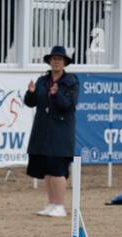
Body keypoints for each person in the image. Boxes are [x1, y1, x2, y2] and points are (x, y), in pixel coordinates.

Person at [24, 45, 78, 218]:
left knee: (58, 169)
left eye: (59, 60)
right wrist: (31, 93)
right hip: (43, 130)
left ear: (64, 63)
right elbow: (31, 103)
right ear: (49, 61)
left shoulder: (71, 81)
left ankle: (60, 205)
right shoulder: (42, 81)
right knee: (46, 169)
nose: (56, 62)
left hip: (60, 131)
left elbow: (68, 105)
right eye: (53, 59)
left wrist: (56, 95)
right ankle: (52, 203)